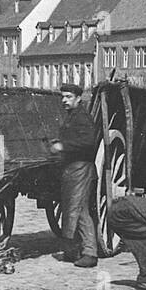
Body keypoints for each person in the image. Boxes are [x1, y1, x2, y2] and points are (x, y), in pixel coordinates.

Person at [50, 82, 99, 268]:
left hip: (81, 168)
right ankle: (75, 251)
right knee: (73, 209)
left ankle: (90, 253)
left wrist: (63, 146)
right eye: (63, 96)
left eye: (69, 97)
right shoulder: (72, 116)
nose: (64, 100)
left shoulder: (82, 117)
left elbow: (88, 142)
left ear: (79, 98)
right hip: (71, 168)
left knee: (79, 210)